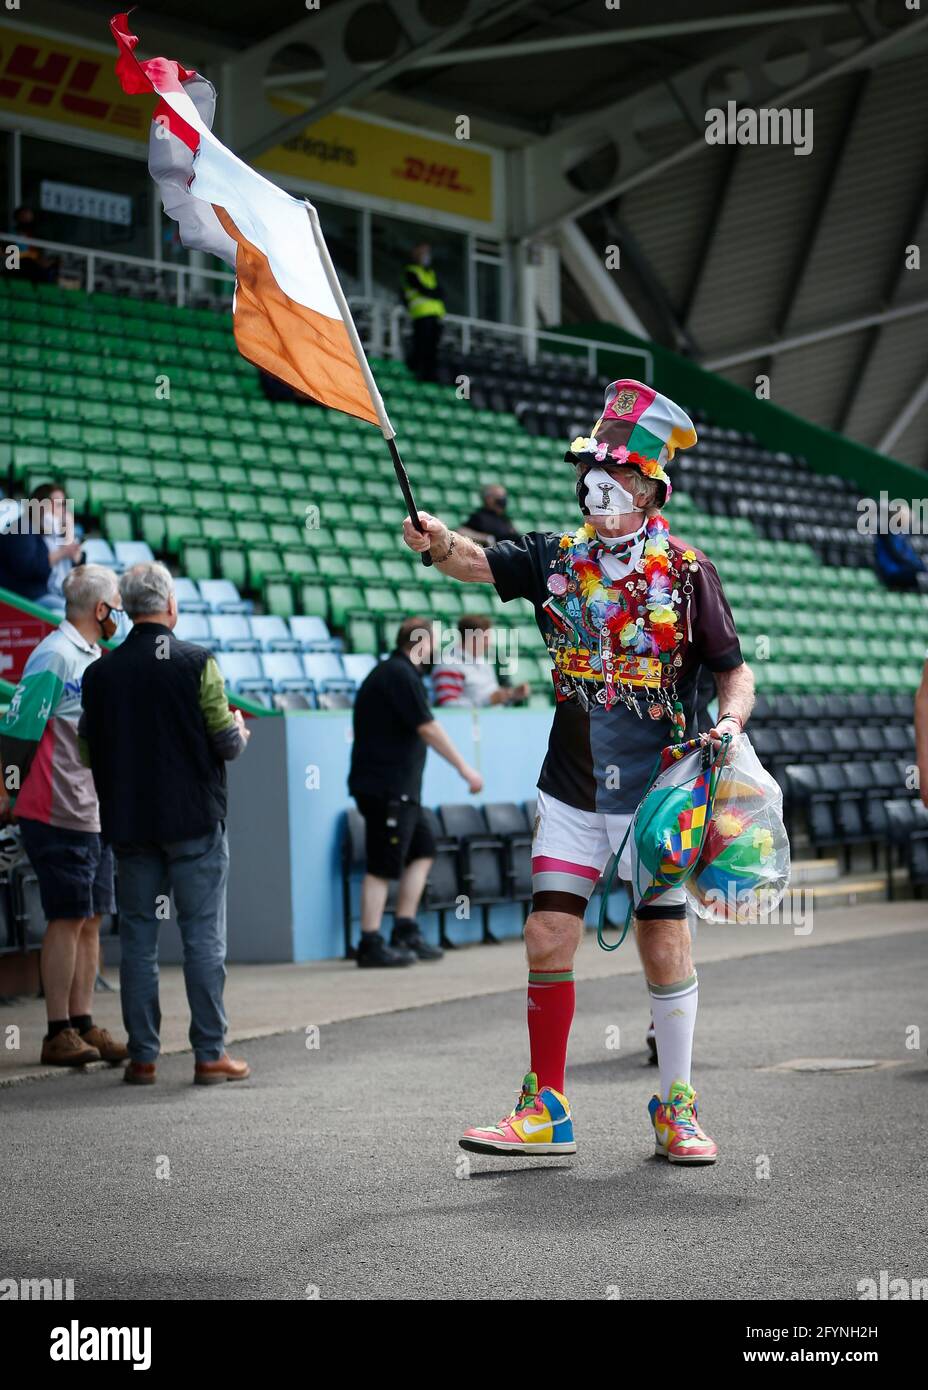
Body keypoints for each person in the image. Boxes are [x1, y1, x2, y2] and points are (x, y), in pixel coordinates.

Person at [403, 378, 754, 1164]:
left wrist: (729, 724)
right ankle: (547, 1108)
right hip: (570, 786)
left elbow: (735, 672)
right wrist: (435, 540)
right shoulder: (555, 558)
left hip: (659, 796)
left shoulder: (691, 574)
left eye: (618, 477)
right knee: (547, 931)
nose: (599, 490)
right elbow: (471, 560)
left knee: (664, 943)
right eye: (594, 475)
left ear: (651, 489)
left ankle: (679, 1107)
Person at [79, 562, 251, 1086]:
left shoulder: (100, 673)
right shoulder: (198, 662)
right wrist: (239, 731)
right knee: (203, 939)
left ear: (127, 609)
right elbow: (225, 743)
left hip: (130, 825)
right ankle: (208, 1054)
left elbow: (87, 752)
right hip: (195, 821)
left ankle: (144, 1057)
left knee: (138, 942)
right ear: (170, 605)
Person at [0, 565, 128, 1067]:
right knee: (67, 916)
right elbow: (18, 736)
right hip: (53, 810)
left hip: (92, 811)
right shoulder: (53, 656)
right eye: (116, 605)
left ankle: (82, 1021)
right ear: (101, 610)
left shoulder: (97, 657)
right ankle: (56, 1030)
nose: (119, 613)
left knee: (91, 918)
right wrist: (7, 795)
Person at [348, 616, 484, 968]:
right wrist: (464, 768)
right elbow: (429, 728)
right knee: (381, 865)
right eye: (434, 643)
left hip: (403, 790)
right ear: (420, 643)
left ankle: (404, 928)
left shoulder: (402, 675)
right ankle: (369, 941)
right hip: (386, 788)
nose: (437, 651)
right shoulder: (398, 674)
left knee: (423, 849)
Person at [0, 484, 83, 610]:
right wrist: (62, 552)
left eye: (63, 505)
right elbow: (27, 569)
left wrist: (75, 553)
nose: (62, 510)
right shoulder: (21, 528)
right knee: (68, 610)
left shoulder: (55, 533)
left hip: (50, 594)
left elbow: (75, 572)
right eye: (57, 504)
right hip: (26, 597)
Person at [432, 613, 530, 708]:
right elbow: (448, 706)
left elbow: (493, 702)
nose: (488, 643)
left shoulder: (484, 662)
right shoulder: (448, 664)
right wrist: (488, 701)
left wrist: (512, 696)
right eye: (485, 638)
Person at [403, 243, 445, 382]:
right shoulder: (411, 271)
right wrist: (433, 293)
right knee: (421, 345)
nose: (426, 256)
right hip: (421, 315)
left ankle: (430, 376)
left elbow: (441, 292)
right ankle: (416, 372)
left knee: (433, 348)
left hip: (435, 315)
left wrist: (433, 293)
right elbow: (423, 289)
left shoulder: (431, 273)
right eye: (423, 253)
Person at [874, 509, 927, 592]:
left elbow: (909, 555)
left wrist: (921, 566)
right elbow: (897, 555)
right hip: (891, 571)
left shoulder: (902, 534)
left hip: (904, 570)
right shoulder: (885, 532)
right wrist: (917, 566)